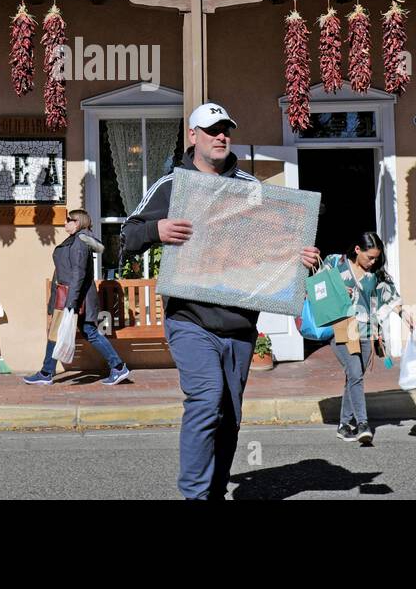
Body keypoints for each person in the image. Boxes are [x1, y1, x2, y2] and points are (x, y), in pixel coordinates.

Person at [121, 102, 321, 500]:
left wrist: (302, 259)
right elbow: (127, 236)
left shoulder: (251, 188)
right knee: (207, 399)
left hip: (241, 327)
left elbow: (275, 243)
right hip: (190, 320)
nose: (220, 136)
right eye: (211, 130)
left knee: (229, 417)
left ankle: (212, 492)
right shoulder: (173, 185)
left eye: (225, 129)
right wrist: (156, 229)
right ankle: (194, 495)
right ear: (192, 135)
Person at [326, 231, 416, 444]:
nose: (373, 262)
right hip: (341, 328)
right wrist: (338, 291)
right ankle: (363, 424)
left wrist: (404, 315)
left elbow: (390, 296)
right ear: (357, 250)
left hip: (366, 330)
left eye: (376, 258)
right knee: (355, 373)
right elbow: (317, 287)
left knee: (354, 377)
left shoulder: (375, 273)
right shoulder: (335, 263)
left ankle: (344, 425)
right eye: (370, 257)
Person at [25, 209, 131, 386]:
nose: (65, 223)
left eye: (68, 220)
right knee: (70, 332)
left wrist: (71, 303)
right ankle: (47, 372)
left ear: (77, 222)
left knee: (79, 332)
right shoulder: (77, 240)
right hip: (69, 296)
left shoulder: (80, 241)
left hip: (74, 298)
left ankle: (118, 367)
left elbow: (78, 274)